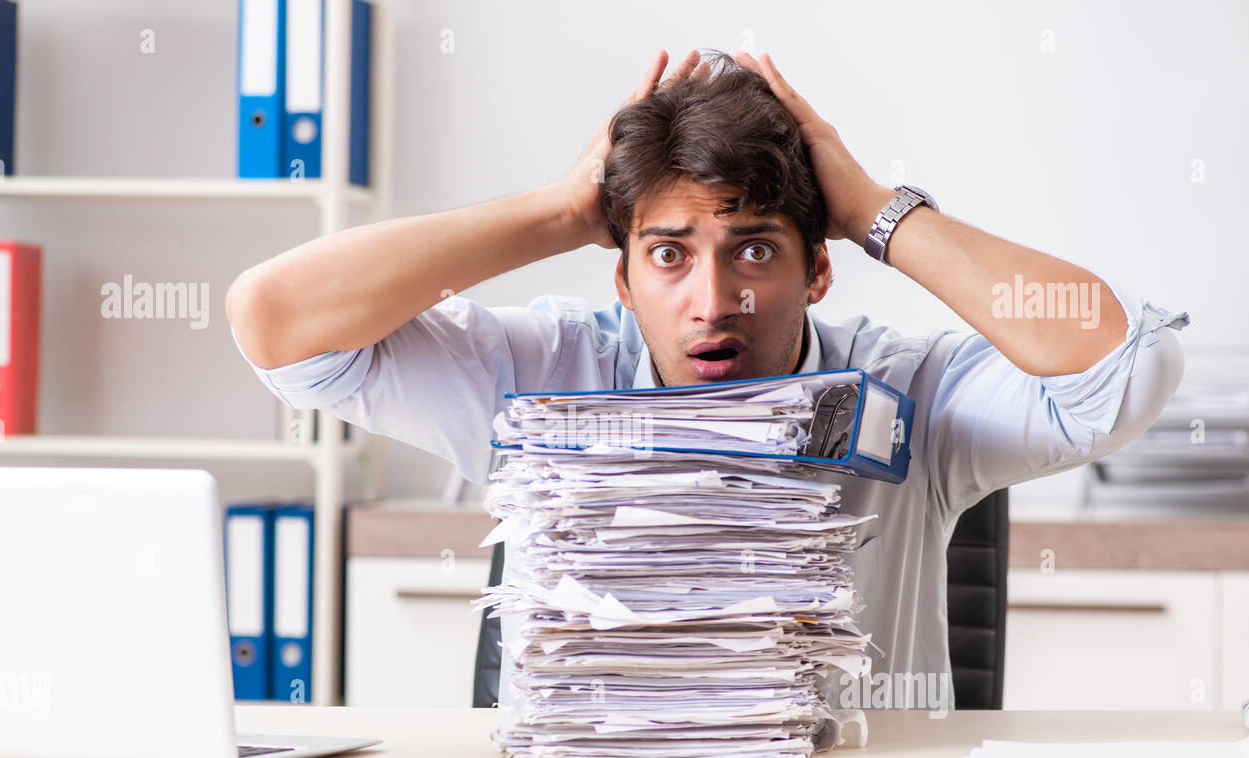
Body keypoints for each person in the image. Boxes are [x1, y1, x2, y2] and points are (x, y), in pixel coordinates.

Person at [225, 49, 1189, 710]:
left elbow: (1124, 363)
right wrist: (562, 210)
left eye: (757, 250)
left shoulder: (910, 397)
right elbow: (277, 324)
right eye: (670, 253)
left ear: (818, 267)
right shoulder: (545, 377)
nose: (714, 299)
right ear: (623, 273)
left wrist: (875, 211)